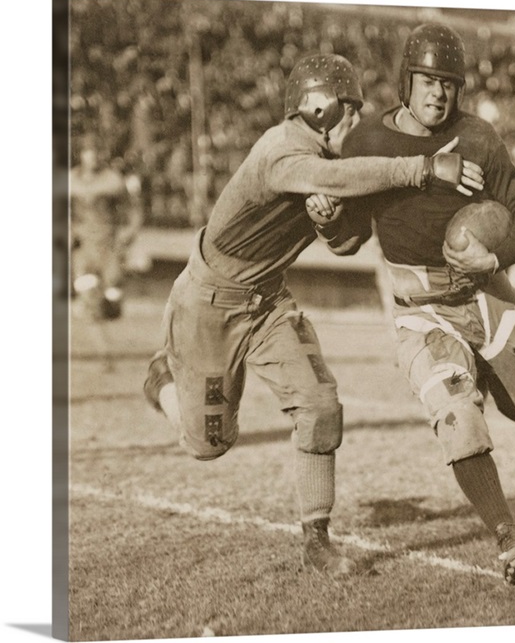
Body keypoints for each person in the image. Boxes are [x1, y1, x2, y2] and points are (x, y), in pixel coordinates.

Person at [141, 53, 484, 578]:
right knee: (209, 444)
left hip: (267, 301)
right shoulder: (280, 149)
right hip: (208, 303)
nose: (357, 119)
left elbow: (347, 243)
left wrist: (328, 225)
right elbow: (330, 176)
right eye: (349, 108)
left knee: (321, 406)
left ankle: (316, 540)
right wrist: (420, 167)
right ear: (319, 108)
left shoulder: (328, 160)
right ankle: (161, 381)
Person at [307, 24, 515, 586]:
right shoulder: (368, 142)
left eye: (448, 83)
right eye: (427, 80)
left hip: (485, 294)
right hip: (421, 310)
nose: (438, 93)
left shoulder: (478, 137)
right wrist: (328, 220)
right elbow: (348, 239)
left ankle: (481, 371)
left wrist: (495, 258)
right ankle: (508, 539)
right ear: (406, 81)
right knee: (458, 418)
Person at [70, 135, 143, 320]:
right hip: (83, 243)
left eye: (96, 151)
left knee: (112, 300)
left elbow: (132, 209)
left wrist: (129, 232)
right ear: (81, 154)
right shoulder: (71, 180)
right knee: (87, 295)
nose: (92, 156)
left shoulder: (113, 180)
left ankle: (108, 302)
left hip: (108, 242)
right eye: (88, 151)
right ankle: (87, 303)